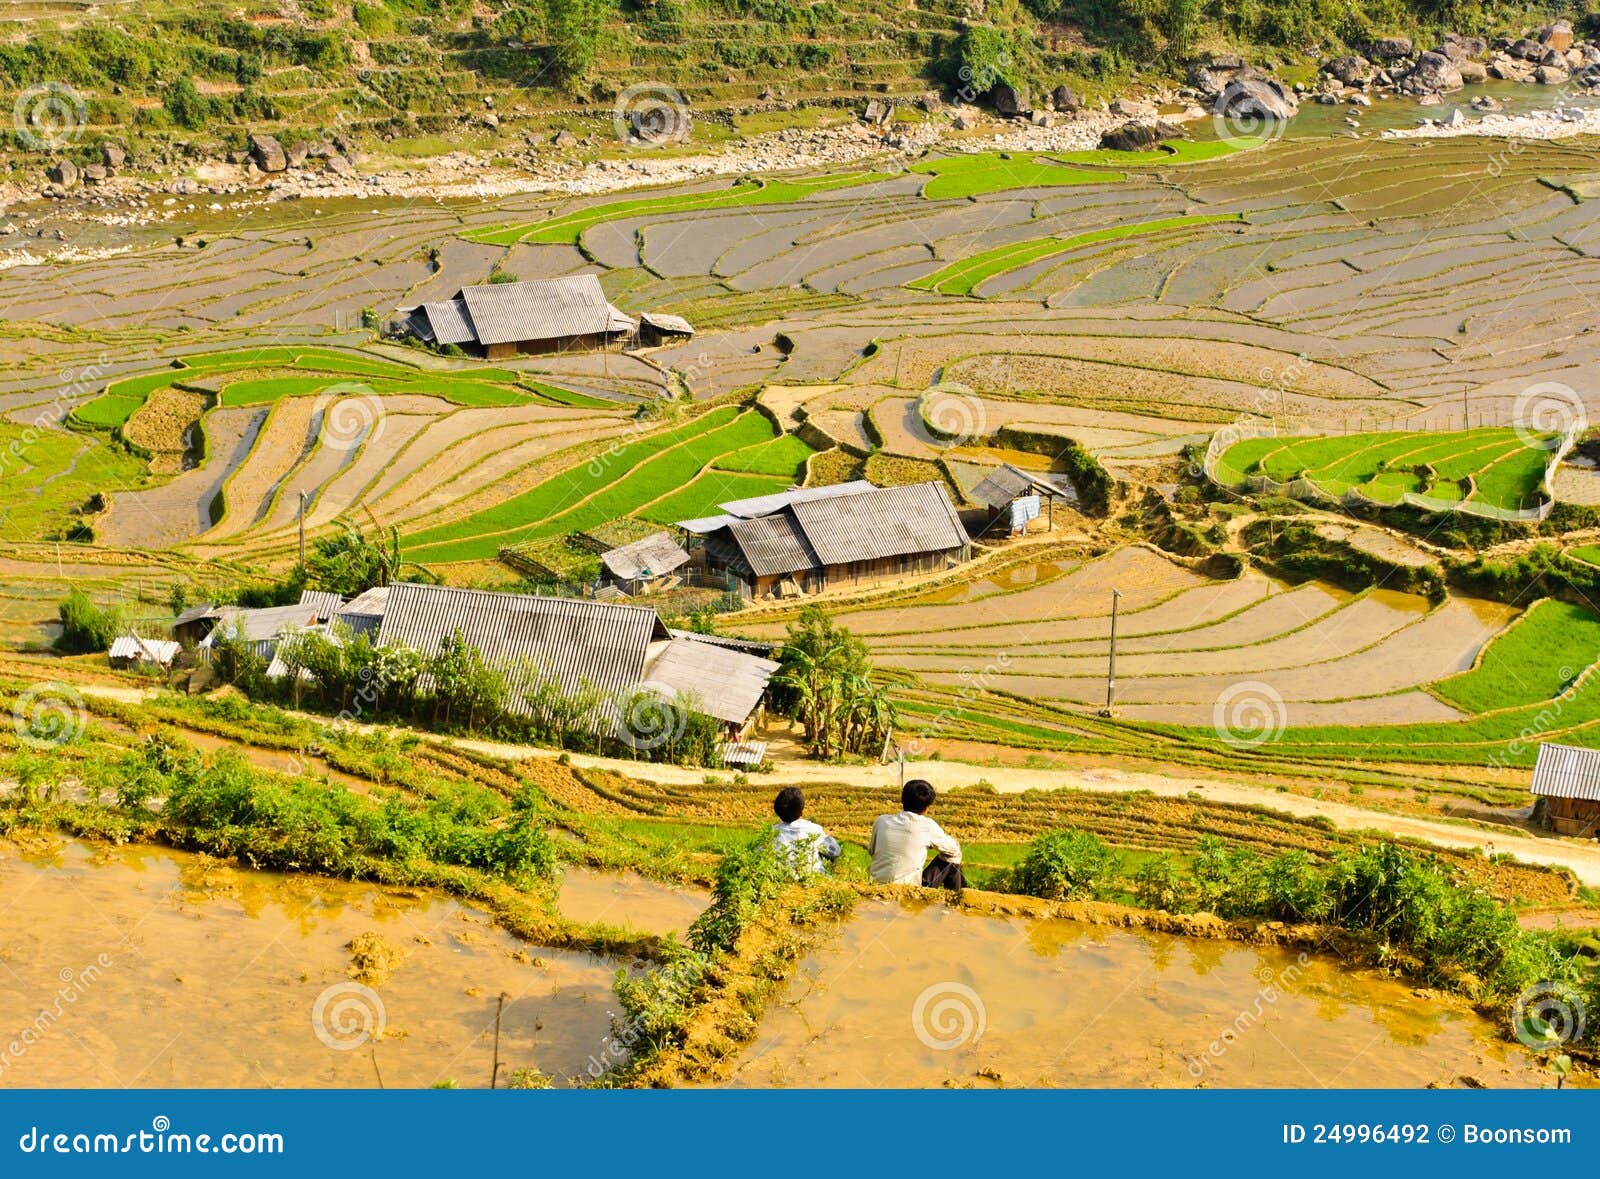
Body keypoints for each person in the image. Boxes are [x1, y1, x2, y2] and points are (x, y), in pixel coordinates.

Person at [869, 779, 964, 891]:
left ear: (902, 800)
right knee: (952, 858)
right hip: (908, 889)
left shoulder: (881, 821)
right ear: (926, 808)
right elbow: (954, 850)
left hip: (876, 884)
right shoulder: (927, 825)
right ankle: (957, 900)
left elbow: (872, 851)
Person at [771, 787, 840, 875]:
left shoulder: (771, 832)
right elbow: (835, 852)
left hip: (782, 877)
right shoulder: (814, 829)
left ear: (777, 812)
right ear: (801, 812)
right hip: (815, 878)